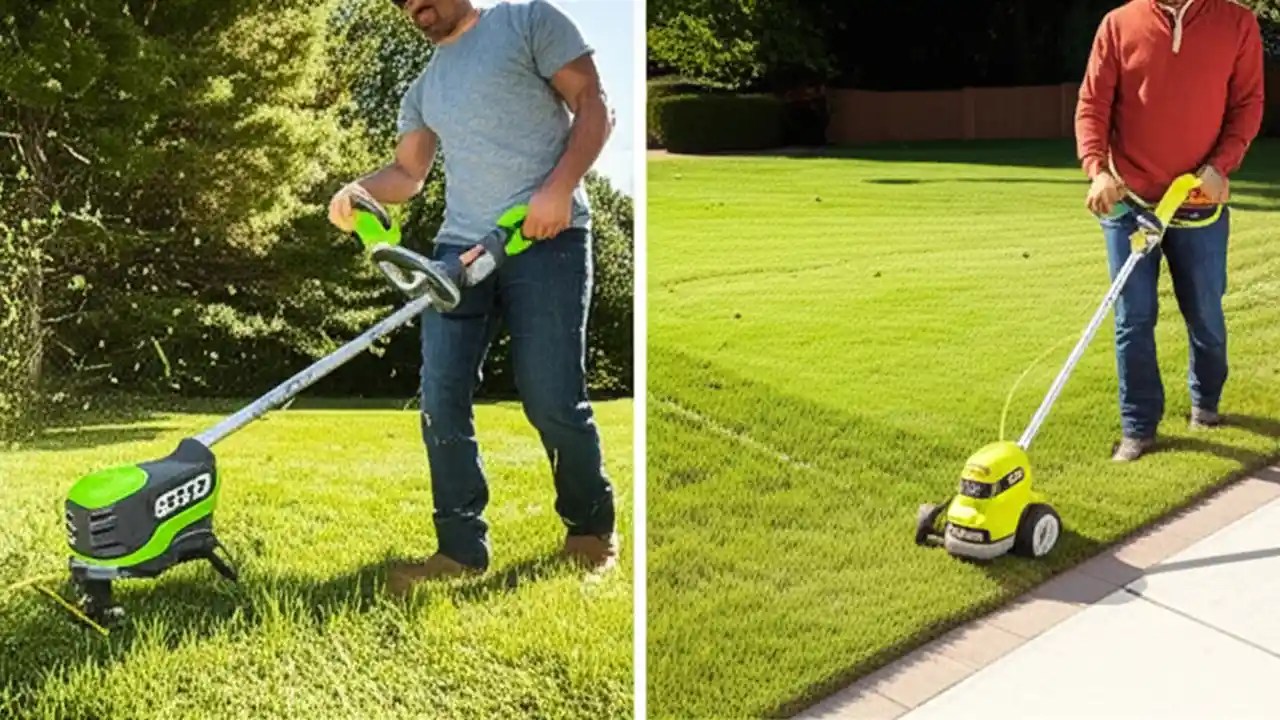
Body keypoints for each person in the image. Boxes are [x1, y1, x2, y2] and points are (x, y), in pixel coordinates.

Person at [327, 0, 619, 591]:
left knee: (553, 397)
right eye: (402, 2)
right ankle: (459, 551)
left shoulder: (528, 21)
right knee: (441, 399)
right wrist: (356, 190)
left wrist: (560, 188)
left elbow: (594, 105)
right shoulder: (426, 88)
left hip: (548, 237)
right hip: (458, 256)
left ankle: (591, 535)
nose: (414, 7)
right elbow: (408, 174)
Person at [1075, 0, 1265, 462]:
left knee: (1204, 312)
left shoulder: (1236, 23)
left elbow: (1247, 103)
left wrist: (1222, 165)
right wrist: (1097, 170)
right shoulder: (1119, 24)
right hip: (1129, 200)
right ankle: (1138, 426)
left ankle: (1206, 401)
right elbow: (1092, 105)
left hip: (1198, 200)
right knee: (1132, 318)